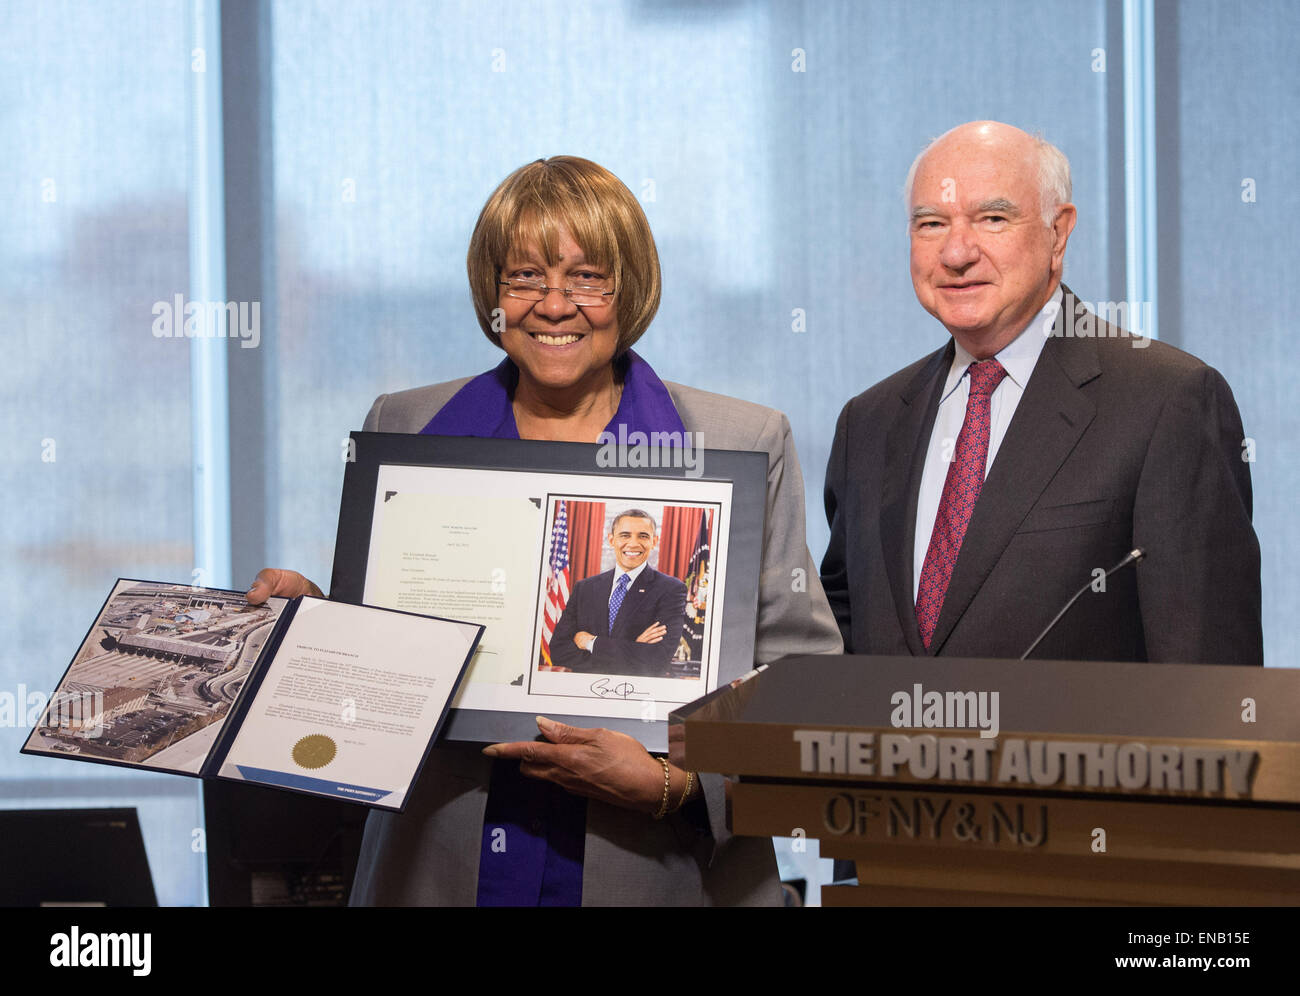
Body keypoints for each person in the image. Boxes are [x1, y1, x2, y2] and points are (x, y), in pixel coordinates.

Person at [249, 155, 842, 905]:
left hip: (663, 875)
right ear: (491, 294)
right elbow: (383, 662)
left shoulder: (742, 441)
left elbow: (802, 684)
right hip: (439, 870)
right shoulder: (404, 426)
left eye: (588, 277)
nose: (554, 305)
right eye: (524, 276)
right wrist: (311, 625)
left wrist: (676, 785)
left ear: (630, 289)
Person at [820, 120, 1263, 665]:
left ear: (1059, 232)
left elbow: (1208, 685)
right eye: (931, 223)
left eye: (993, 218)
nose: (957, 252)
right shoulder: (867, 423)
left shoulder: (1169, 402)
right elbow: (834, 656)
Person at [546, 508, 688, 677]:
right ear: (611, 540)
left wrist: (592, 643)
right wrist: (632, 649)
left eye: (643, 536)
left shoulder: (671, 589)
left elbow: (657, 659)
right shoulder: (584, 588)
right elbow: (558, 651)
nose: (633, 543)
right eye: (625, 535)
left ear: (654, 541)